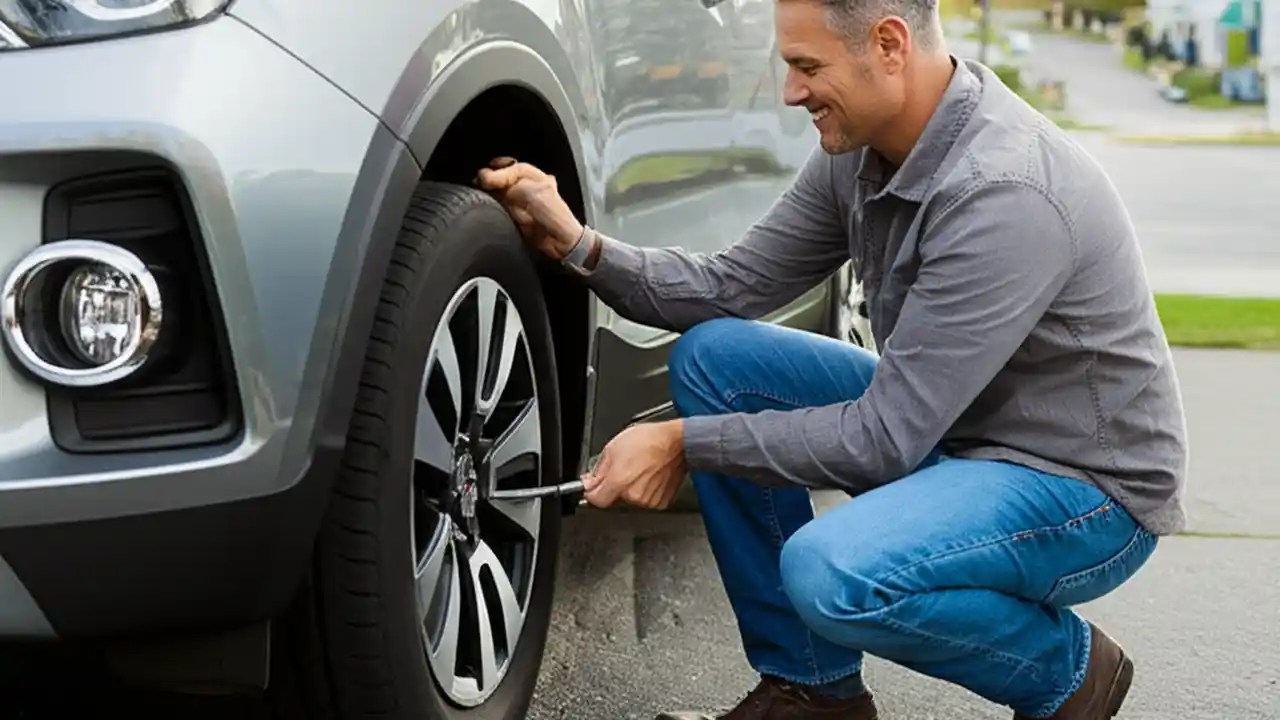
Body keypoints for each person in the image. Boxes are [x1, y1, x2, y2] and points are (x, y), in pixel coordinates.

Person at [477, 0, 1187, 717]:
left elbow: (882, 441)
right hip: (959, 432)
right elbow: (732, 287)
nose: (790, 92)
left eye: (807, 67)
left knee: (829, 573)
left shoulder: (1004, 192)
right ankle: (812, 693)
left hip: (1079, 491)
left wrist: (684, 445)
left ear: (888, 44)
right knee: (716, 362)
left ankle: (1067, 673)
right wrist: (580, 246)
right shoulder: (864, 153)